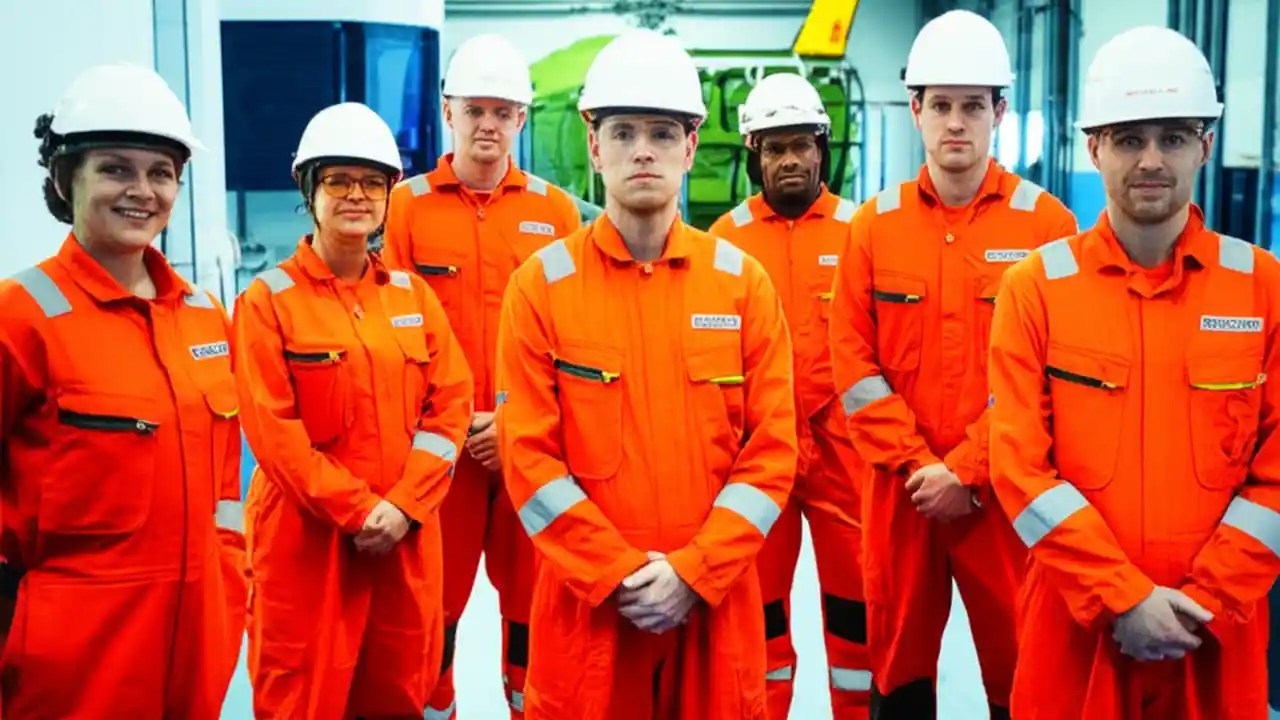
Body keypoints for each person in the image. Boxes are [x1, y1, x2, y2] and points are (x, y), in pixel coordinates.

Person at [494, 28, 798, 720]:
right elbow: (528, 459)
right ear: (592, 144)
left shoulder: (741, 286)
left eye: (662, 133)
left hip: (714, 607)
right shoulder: (541, 287)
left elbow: (773, 451)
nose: (643, 150)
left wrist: (694, 574)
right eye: (623, 131)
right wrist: (620, 574)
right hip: (589, 611)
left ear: (691, 146)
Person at [988, 26, 1280, 720]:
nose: (1151, 160)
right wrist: (1120, 597)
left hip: (1216, 630)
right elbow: (1019, 469)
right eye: (1128, 139)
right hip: (1074, 627)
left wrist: (1202, 601)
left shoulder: (1262, 289)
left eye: (1173, 137)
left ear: (1206, 144)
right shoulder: (1037, 289)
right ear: (1093, 148)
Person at [828, 10, 1079, 718]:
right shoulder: (873, 228)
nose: (956, 122)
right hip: (900, 497)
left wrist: (967, 472)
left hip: (1004, 498)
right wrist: (919, 470)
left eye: (973, 105)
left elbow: (1046, 381)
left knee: (1022, 666)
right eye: (940, 104)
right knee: (897, 668)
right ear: (915, 110)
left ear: (1000, 109)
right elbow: (853, 366)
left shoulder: (1047, 228)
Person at [0, 62, 246, 718]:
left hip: (198, 650)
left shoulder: (204, 318)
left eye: (161, 171)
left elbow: (226, 495)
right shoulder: (19, 316)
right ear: (65, 179)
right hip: (71, 667)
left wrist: (229, 595)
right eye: (115, 168)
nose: (142, 190)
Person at [234, 101, 473, 719]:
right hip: (306, 549)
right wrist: (362, 512)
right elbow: (276, 437)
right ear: (309, 190)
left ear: (390, 195)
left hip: (404, 544)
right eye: (338, 180)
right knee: (302, 695)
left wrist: (403, 508)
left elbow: (449, 409)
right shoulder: (267, 301)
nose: (356, 196)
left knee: (398, 691)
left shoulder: (413, 297)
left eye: (372, 182)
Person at [382, 33, 581, 718]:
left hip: (529, 448)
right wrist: (454, 424)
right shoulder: (404, 206)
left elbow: (567, 336)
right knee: (433, 604)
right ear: (448, 112)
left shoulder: (554, 213)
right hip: (442, 453)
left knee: (536, 606)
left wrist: (518, 423)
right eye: (476, 111)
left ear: (522, 119)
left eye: (503, 112)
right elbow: (395, 327)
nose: (489, 126)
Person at [709, 71, 871, 720]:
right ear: (754, 156)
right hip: (758, 454)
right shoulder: (724, 243)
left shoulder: (862, 233)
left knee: (857, 609)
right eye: (775, 148)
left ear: (823, 150)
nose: (791, 161)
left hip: (846, 454)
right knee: (759, 608)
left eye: (802, 145)